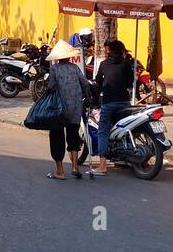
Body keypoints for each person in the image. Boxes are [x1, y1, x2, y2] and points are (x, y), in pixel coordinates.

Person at [43, 40, 87, 179]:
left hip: (59, 109)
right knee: (73, 135)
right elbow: (84, 83)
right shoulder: (75, 68)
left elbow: (51, 87)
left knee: (57, 137)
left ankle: (60, 171)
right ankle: (75, 166)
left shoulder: (55, 69)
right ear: (69, 56)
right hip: (75, 107)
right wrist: (88, 99)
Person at [91, 39, 135, 176]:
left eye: (107, 49)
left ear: (109, 51)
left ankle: (103, 165)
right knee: (128, 129)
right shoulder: (126, 63)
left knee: (102, 131)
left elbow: (97, 83)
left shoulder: (104, 64)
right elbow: (130, 82)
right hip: (124, 103)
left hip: (109, 103)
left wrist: (95, 99)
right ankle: (131, 159)